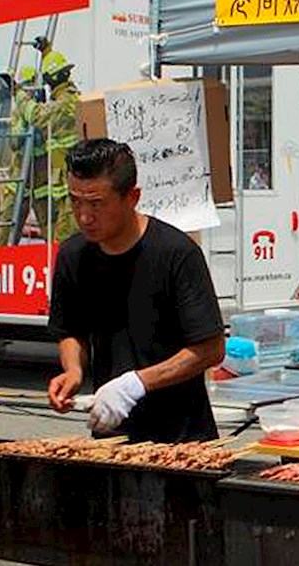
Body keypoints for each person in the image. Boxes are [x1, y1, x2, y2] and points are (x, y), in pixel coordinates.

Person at [47, 139, 225, 442]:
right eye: (75, 201)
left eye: (97, 203)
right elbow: (71, 329)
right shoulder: (72, 255)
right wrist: (74, 371)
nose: (84, 216)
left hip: (182, 438)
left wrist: (136, 384)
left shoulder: (176, 254)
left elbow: (210, 348)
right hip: (111, 438)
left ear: (132, 197)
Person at [33, 50, 80, 242]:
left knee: (64, 239)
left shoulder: (63, 102)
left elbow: (36, 116)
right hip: (65, 178)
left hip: (68, 182)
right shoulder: (68, 96)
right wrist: (46, 51)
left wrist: (19, 95)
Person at [0, 66, 42, 245]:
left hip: (42, 181)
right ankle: (1, 268)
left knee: (53, 232)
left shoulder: (42, 111)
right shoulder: (18, 112)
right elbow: (15, 142)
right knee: (7, 236)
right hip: (19, 182)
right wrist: (25, 122)